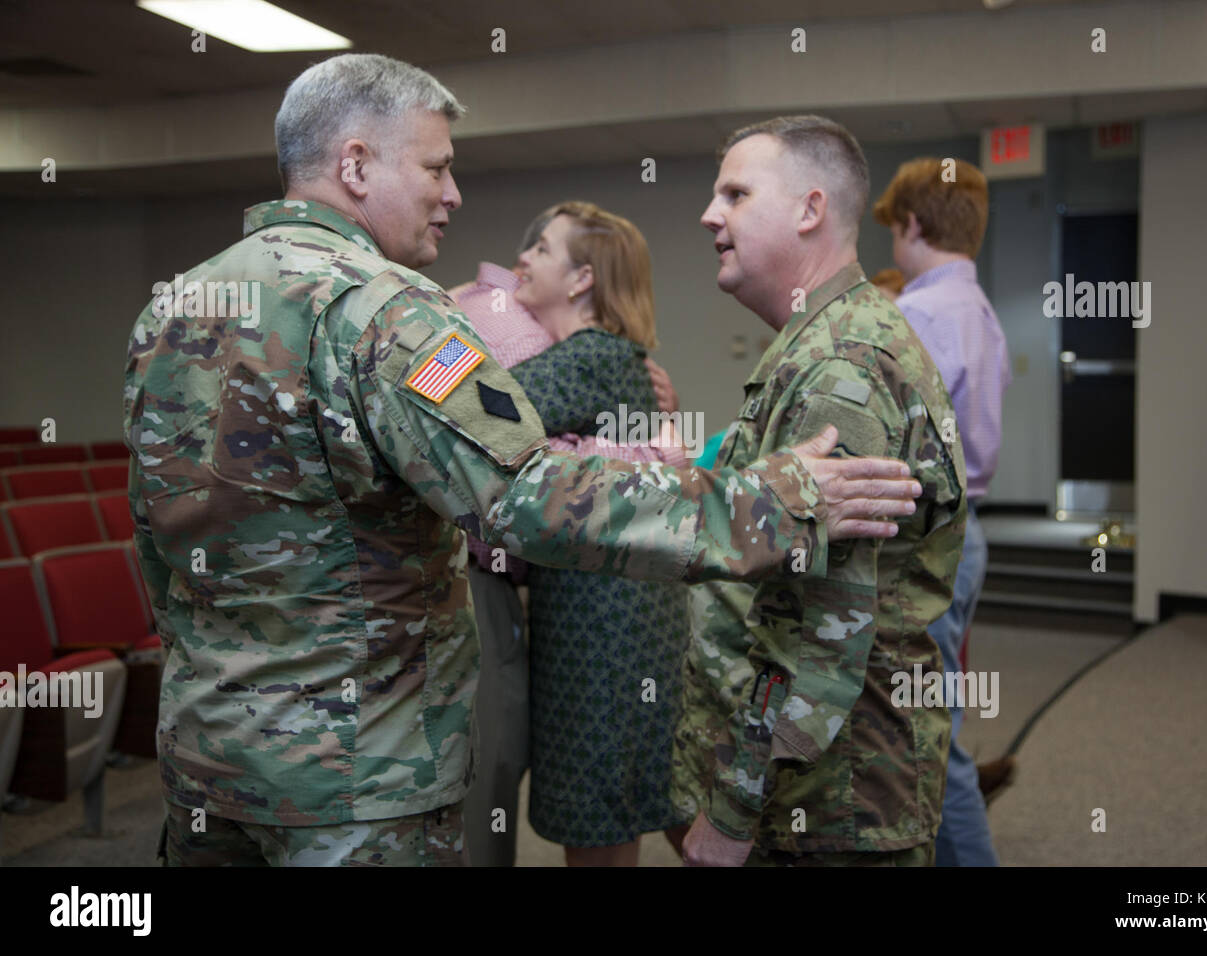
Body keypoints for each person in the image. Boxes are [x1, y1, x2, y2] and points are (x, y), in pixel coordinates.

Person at [124, 54, 922, 867]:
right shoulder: (385, 313)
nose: (454, 193)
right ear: (355, 165)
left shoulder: (175, 308)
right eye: (437, 166)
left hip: (206, 759)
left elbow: (154, 538)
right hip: (351, 776)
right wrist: (767, 502)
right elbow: (526, 495)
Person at [671, 115, 967, 867]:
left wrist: (733, 812)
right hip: (815, 785)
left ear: (809, 210)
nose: (711, 214)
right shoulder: (819, 344)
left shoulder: (843, 367)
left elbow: (819, 632)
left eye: (735, 193)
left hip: (828, 801)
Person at [450, 209, 686, 867]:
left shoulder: (590, 357)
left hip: (604, 627)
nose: (523, 258)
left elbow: (467, 409)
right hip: (610, 613)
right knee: (629, 807)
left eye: (542, 248)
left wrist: (431, 321)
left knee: (602, 814)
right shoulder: (608, 356)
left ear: (582, 278)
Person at [872, 156, 1011, 867]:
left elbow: (882, 434)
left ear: (913, 224)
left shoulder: (915, 315)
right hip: (967, 530)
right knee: (931, 720)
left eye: (894, 228)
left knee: (931, 735)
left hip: (926, 535)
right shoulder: (980, 311)